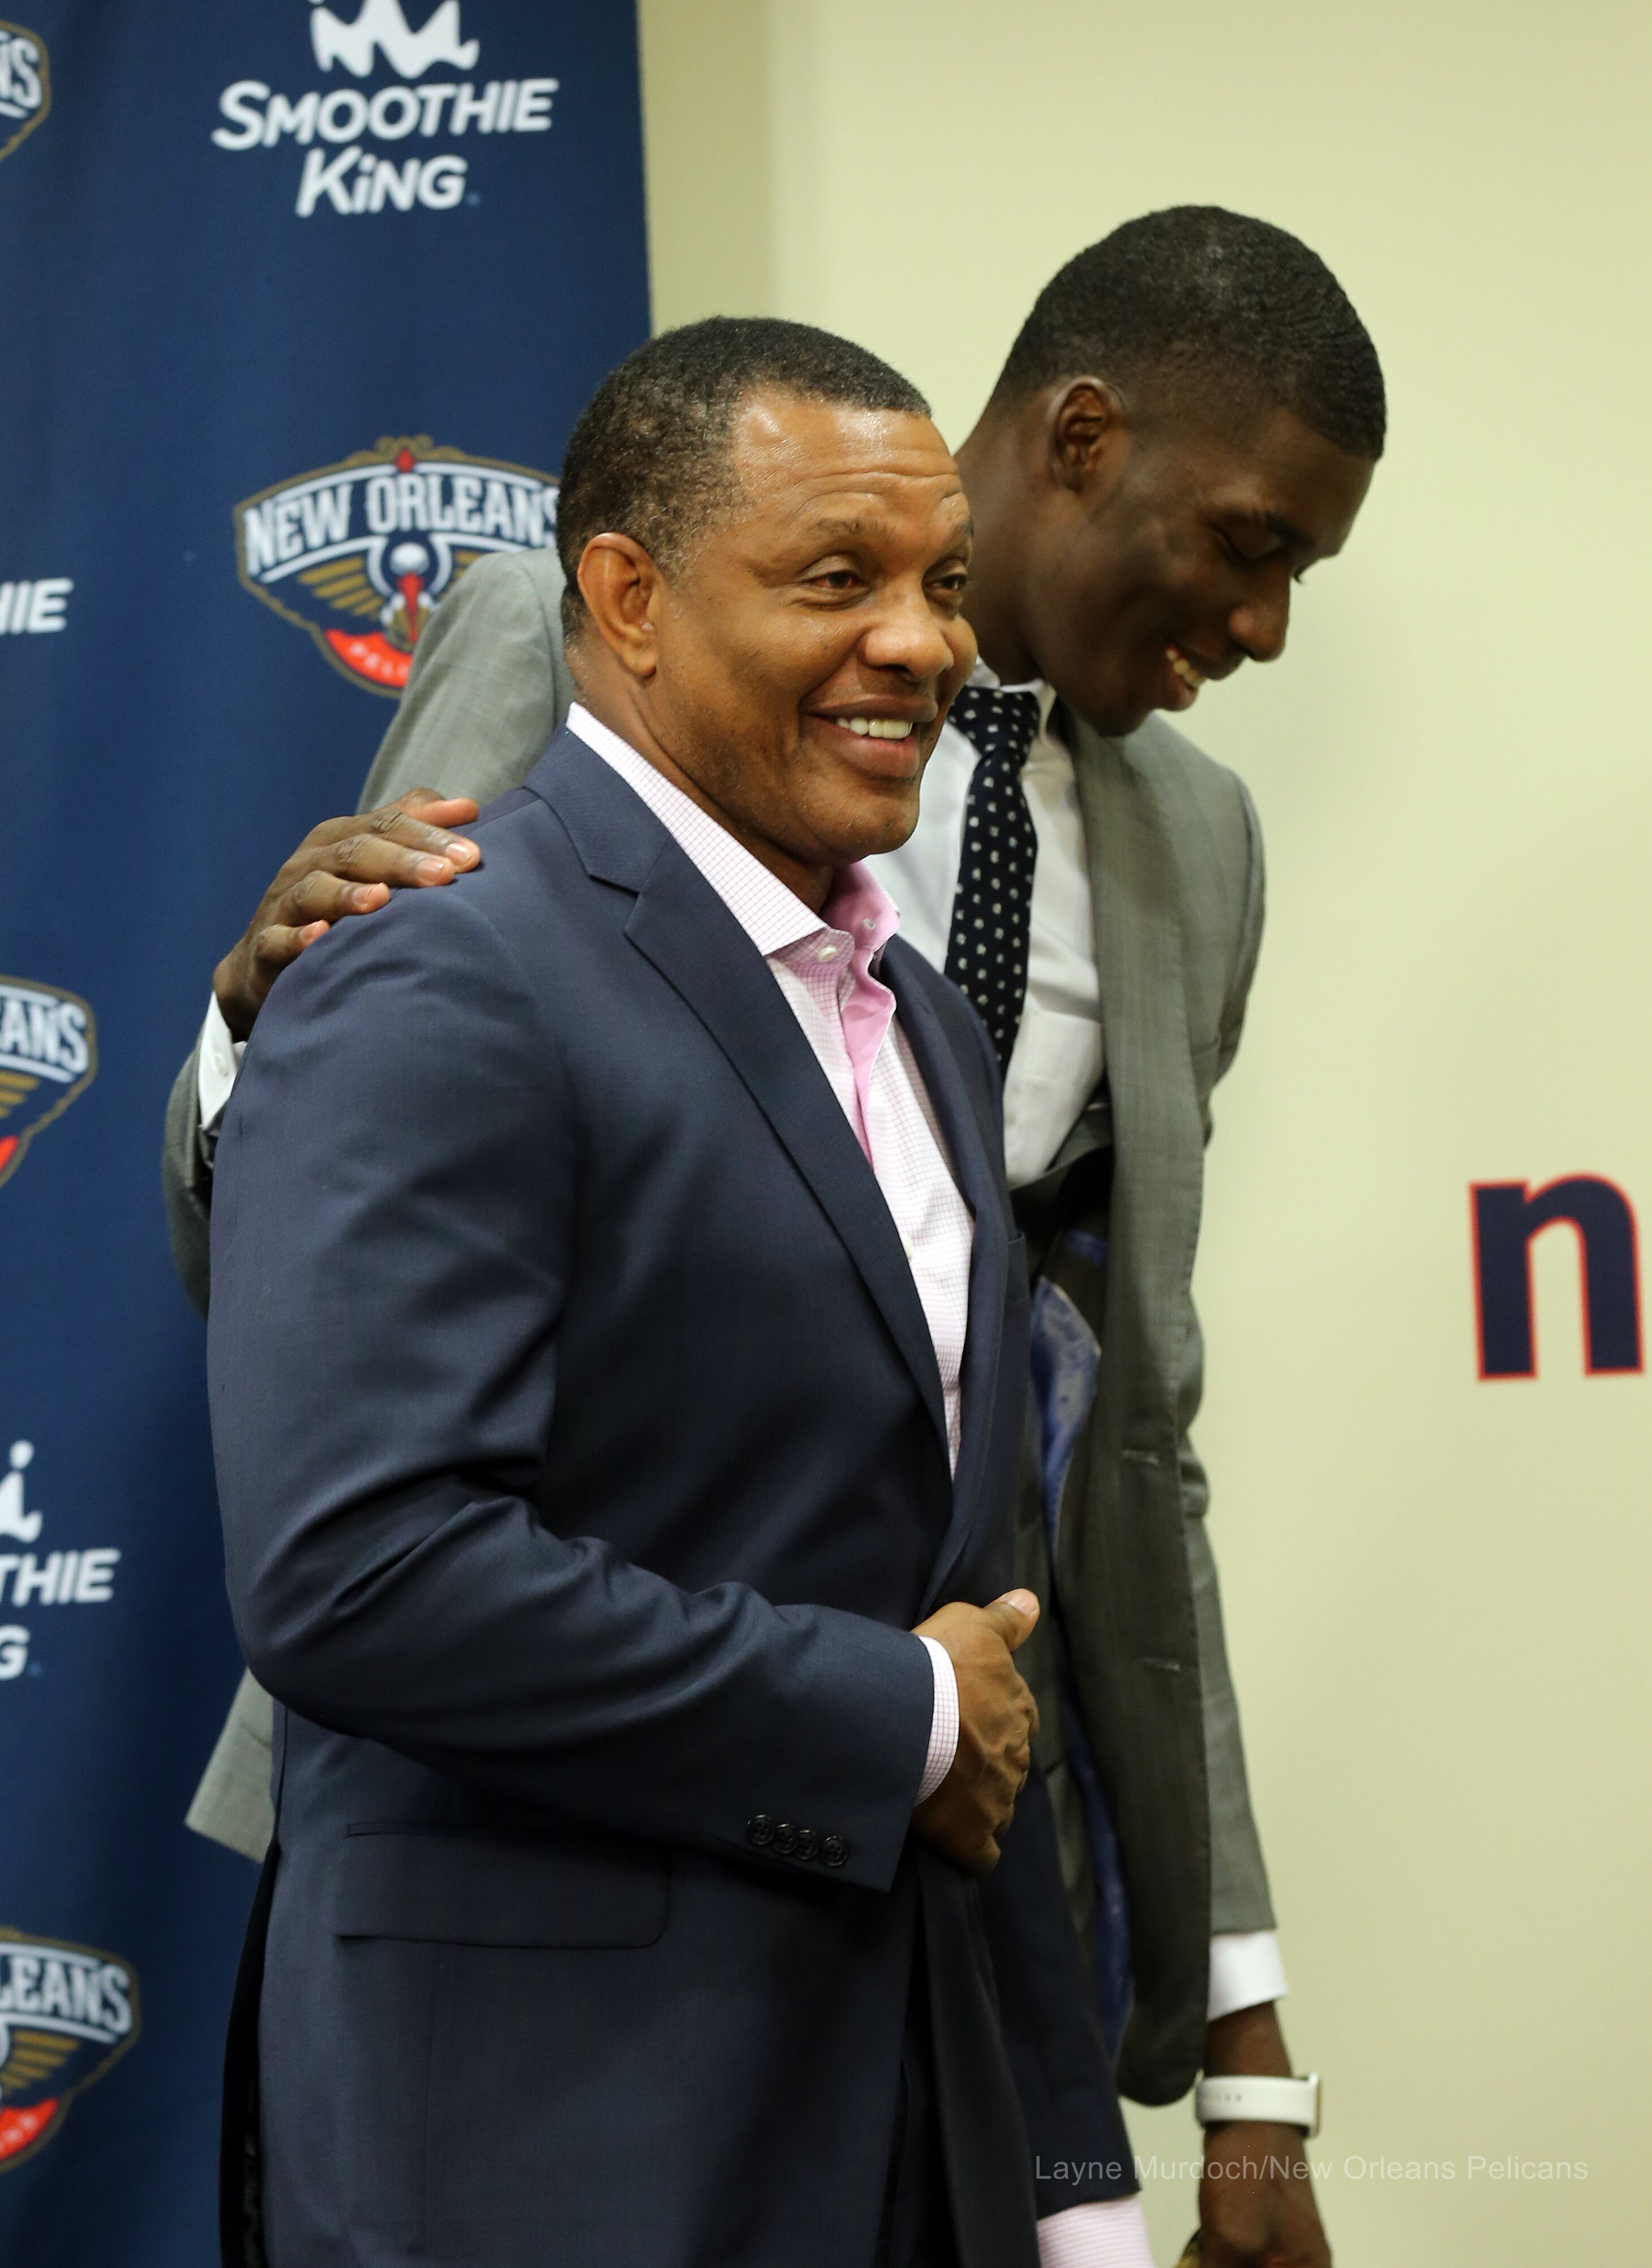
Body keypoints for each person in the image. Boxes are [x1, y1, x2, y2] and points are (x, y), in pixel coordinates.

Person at [174, 211, 1383, 2267]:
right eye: (1252, 543)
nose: (1265, 624)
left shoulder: (1140, 879)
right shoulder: (544, 707)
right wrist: (245, 1042)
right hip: (536, 1923)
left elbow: (1091, 1467)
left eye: (929, 593)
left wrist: (1181, 2083)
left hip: (915, 1922)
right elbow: (359, 1212)